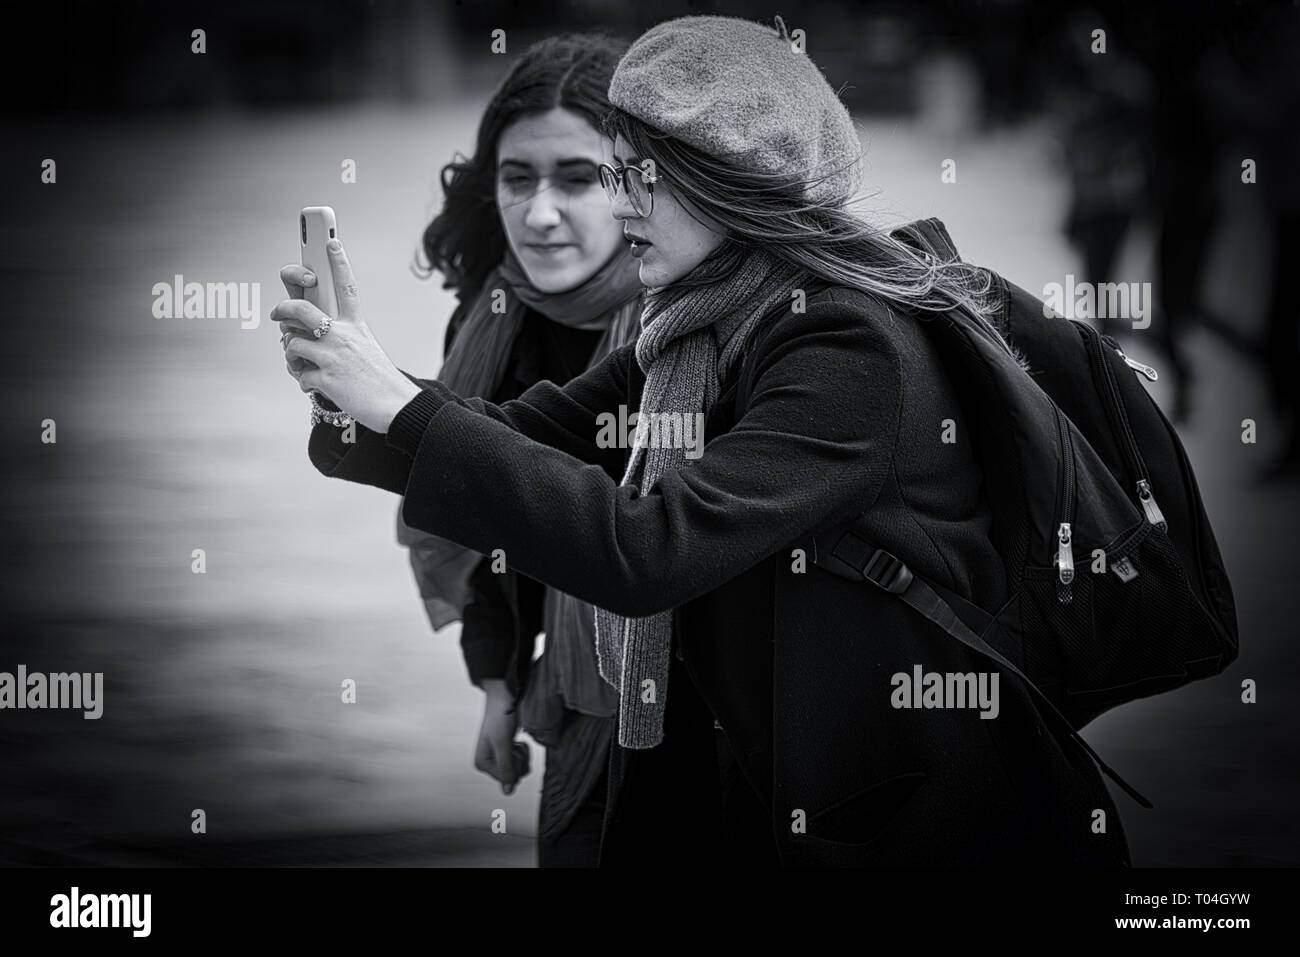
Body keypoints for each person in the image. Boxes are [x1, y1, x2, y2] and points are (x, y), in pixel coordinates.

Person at [274, 14, 1131, 866]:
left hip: (908, 817)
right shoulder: (694, 326)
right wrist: (357, 393)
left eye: (638, 177)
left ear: (732, 184)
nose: (617, 204)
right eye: (616, 173)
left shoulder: (846, 341)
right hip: (741, 788)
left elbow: (651, 550)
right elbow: (530, 432)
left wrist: (396, 402)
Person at [402, 33, 642, 866]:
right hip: (575, 708)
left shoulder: (704, 318)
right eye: (517, 178)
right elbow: (493, 521)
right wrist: (500, 689)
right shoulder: (493, 321)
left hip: (727, 709)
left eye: (578, 179)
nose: (541, 213)